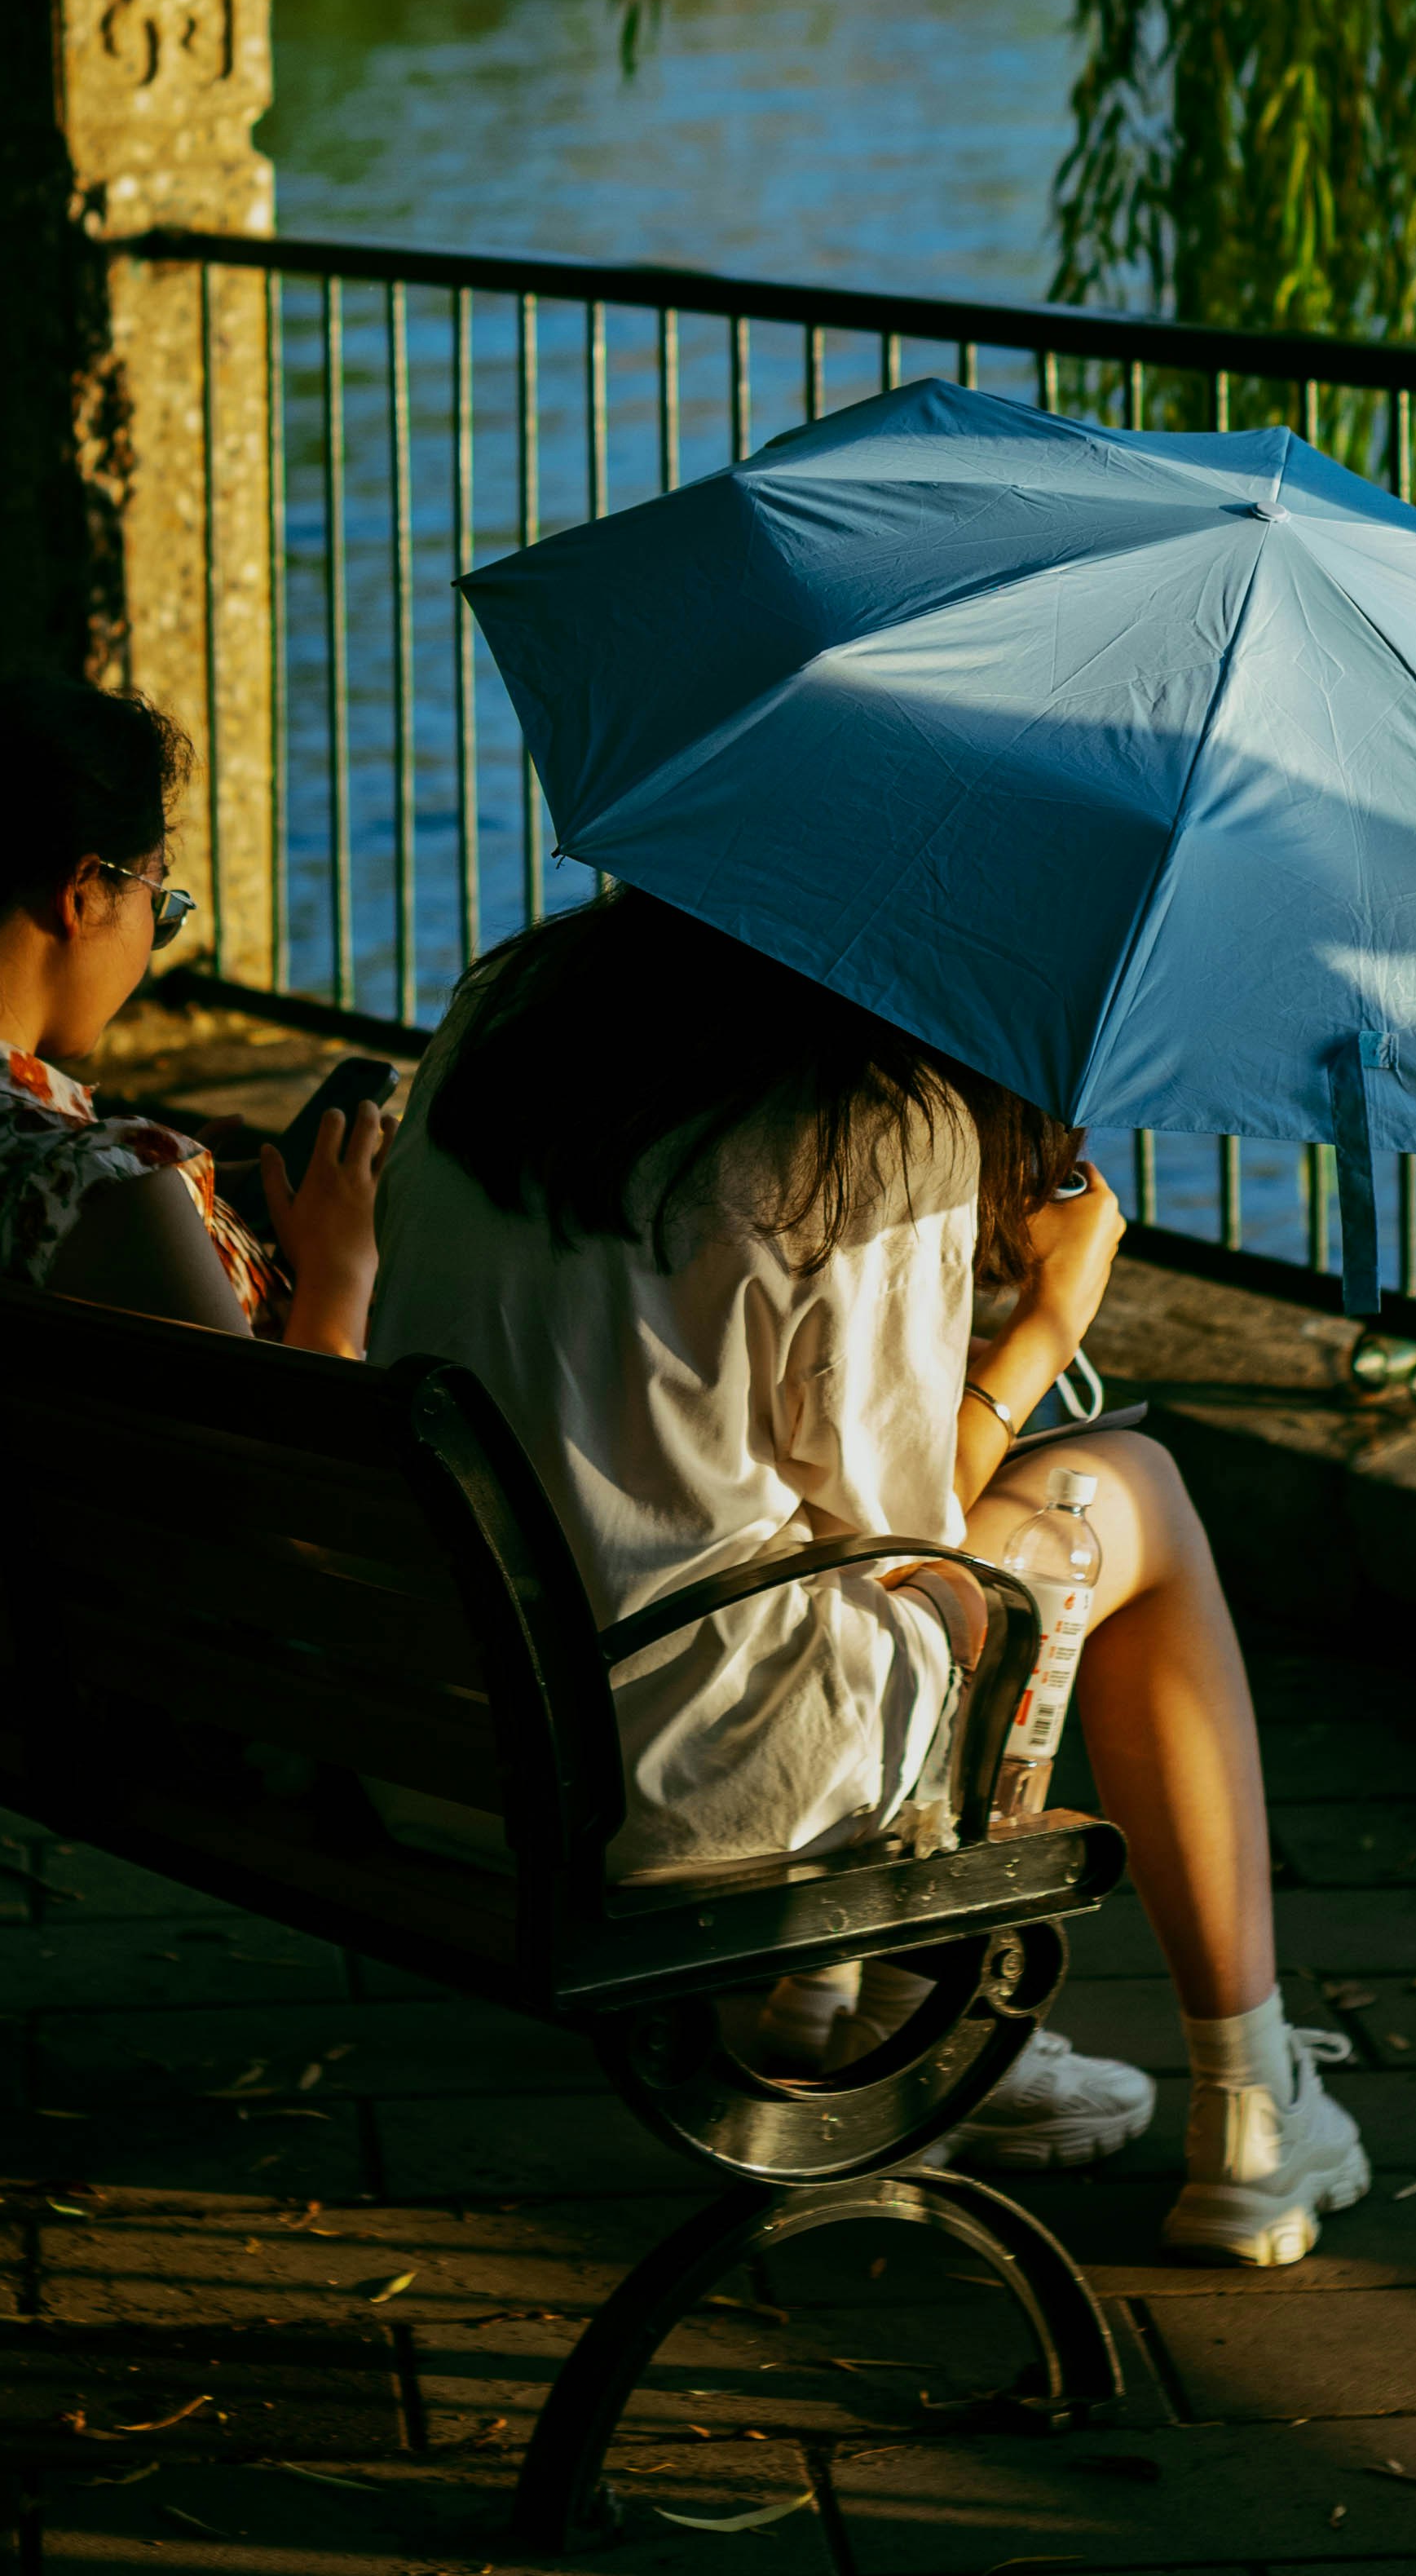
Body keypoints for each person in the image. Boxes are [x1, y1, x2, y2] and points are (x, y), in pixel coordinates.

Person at [368, 884, 1365, 2269]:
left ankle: (886, 2026)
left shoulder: (513, 1017)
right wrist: (1045, 1326)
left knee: (885, 1571)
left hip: (440, 1711)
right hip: (666, 1773)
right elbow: (918, 1538)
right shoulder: (860, 1128)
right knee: (1125, 1499)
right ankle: (1253, 2114)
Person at [0, 680, 388, 1350]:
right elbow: (278, 1450)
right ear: (82, 895)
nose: (154, 928)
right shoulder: (98, 1195)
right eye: (157, 896)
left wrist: (182, 1203)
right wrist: (340, 1272)